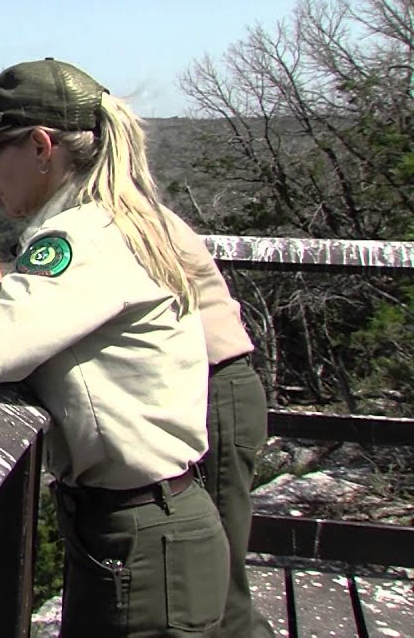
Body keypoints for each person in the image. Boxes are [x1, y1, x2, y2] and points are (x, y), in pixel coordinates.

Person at [0, 57, 230, 636]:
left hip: (141, 539)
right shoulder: (121, 220)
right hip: (146, 526)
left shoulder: (86, 238)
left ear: (42, 147)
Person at [165, 212, 275, 638]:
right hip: (206, 387)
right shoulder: (133, 211)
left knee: (219, 580)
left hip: (212, 387)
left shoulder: (109, 220)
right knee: (212, 572)